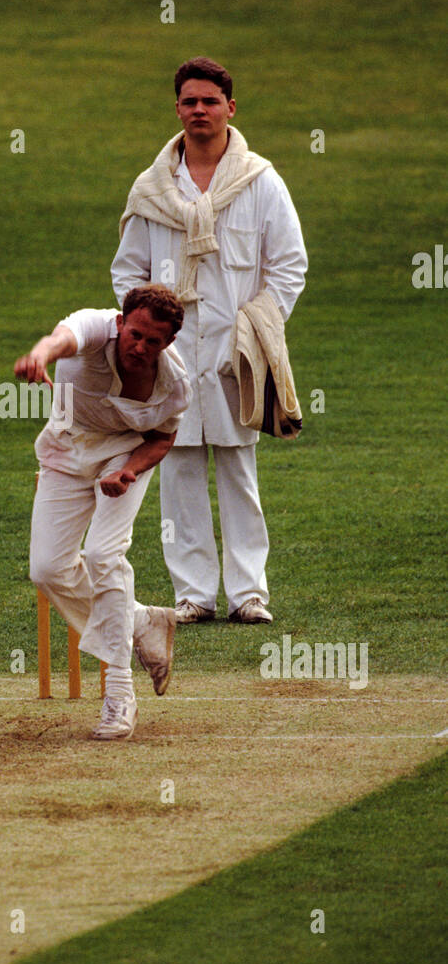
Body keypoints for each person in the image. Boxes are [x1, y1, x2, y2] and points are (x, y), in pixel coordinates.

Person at [111, 57, 307, 625]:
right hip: (171, 353)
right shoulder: (152, 188)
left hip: (236, 350)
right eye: (189, 101)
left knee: (239, 470)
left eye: (210, 101)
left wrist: (260, 330)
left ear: (230, 107)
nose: (200, 110)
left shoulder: (261, 181)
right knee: (178, 470)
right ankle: (193, 595)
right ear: (177, 108)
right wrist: (147, 338)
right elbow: (128, 273)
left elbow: (289, 266)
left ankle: (249, 594)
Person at [14, 284, 190, 740]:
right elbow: (60, 339)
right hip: (67, 450)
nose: (140, 346)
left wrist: (129, 471)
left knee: (103, 555)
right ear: (119, 324)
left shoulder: (175, 384)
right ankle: (138, 620)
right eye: (135, 334)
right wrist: (39, 355)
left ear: (168, 342)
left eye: (154, 341)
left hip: (123, 458)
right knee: (47, 569)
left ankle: (119, 695)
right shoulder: (96, 325)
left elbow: (162, 440)